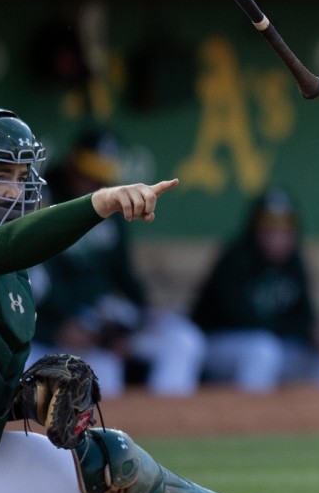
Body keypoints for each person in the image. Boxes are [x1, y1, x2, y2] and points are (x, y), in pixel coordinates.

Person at [0, 103, 319, 493]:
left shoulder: (6, 268)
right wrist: (101, 203)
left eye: (19, 173)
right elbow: (11, 244)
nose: (12, 188)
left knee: (112, 460)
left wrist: (22, 400)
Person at [30, 129, 205, 399]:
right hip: (48, 333)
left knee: (183, 339)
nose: (93, 180)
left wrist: (140, 314)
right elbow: (33, 287)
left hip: (99, 320)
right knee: (103, 369)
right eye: (87, 172)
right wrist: (56, 329)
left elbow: (122, 273)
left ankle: (172, 429)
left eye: (99, 173)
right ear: (71, 164)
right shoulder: (43, 204)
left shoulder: (107, 207)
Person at [190, 187, 319, 392]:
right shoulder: (236, 258)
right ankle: (249, 419)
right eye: (270, 229)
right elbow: (242, 320)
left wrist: (316, 333)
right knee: (263, 350)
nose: (278, 237)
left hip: (275, 345)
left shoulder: (294, 262)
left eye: (285, 230)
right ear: (255, 228)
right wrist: (302, 330)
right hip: (219, 346)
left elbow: (305, 315)